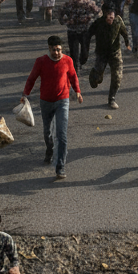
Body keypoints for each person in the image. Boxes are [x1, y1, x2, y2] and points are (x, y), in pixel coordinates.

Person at [22, 35, 83, 181]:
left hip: (63, 101)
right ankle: (49, 150)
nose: (57, 52)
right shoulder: (41, 61)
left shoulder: (67, 60)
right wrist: (25, 94)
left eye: (59, 50)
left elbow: (73, 76)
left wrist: (78, 91)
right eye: (54, 50)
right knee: (47, 133)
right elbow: (32, 78)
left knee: (61, 135)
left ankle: (60, 167)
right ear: (49, 48)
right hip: (46, 102)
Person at [86, 3, 129, 110]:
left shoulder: (118, 21)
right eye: (108, 13)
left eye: (112, 13)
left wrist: (128, 44)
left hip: (115, 53)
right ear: (104, 14)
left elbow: (124, 33)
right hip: (102, 53)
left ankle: (112, 98)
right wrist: (85, 50)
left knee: (117, 76)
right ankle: (94, 75)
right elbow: (88, 34)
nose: (110, 16)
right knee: (98, 77)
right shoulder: (98, 23)